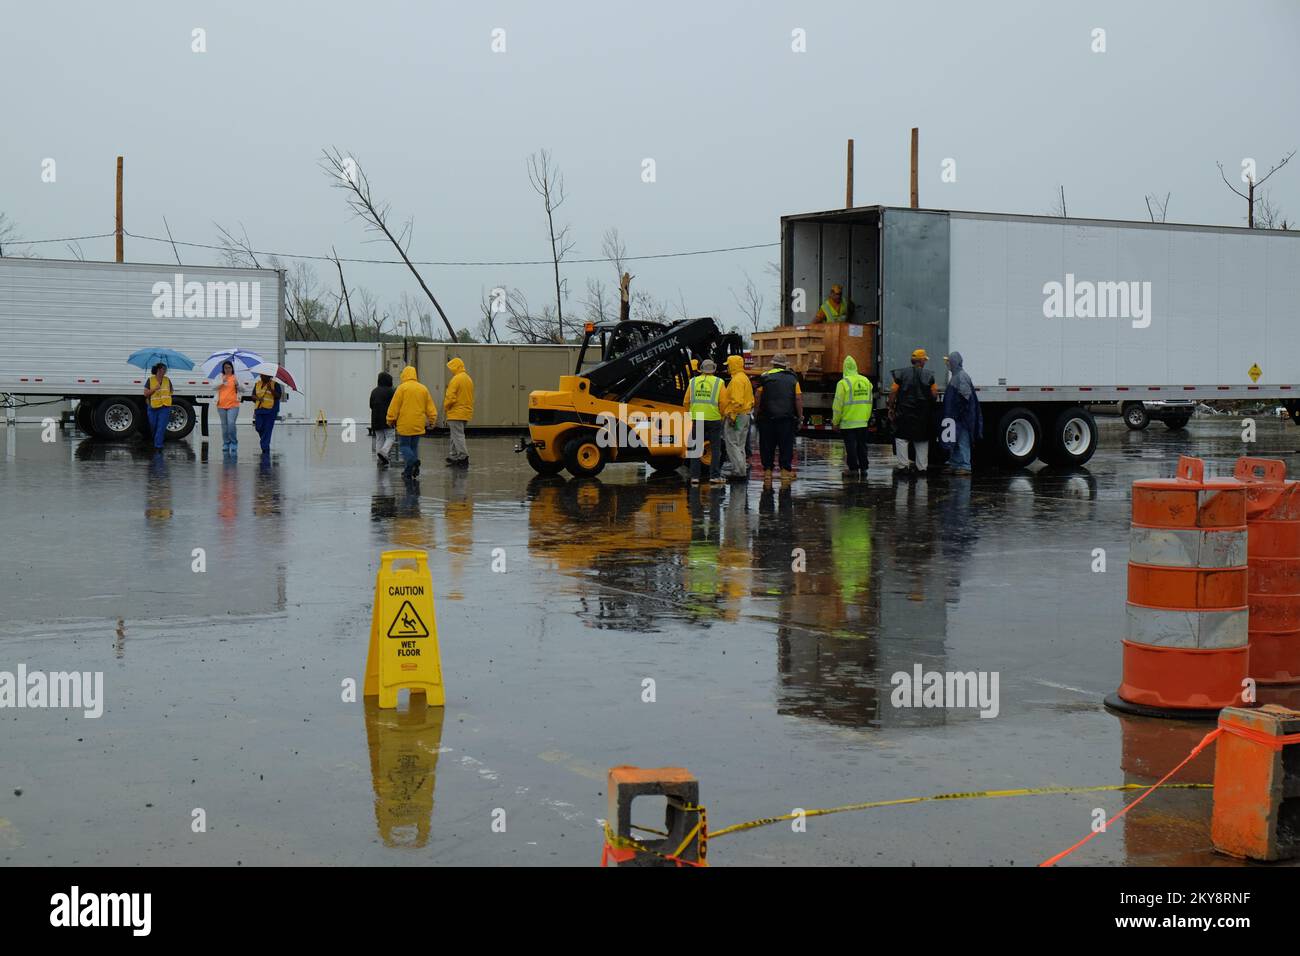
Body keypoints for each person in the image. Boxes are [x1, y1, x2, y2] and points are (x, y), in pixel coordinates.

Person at [754, 353, 802, 484]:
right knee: (785, 445)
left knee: (766, 445)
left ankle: (767, 472)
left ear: (773, 364)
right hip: (786, 419)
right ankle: (785, 472)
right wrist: (800, 416)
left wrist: (756, 413)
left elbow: (757, 397)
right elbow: (798, 398)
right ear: (785, 365)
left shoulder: (764, 377)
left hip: (766, 418)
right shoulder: (793, 378)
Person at [888, 347, 938, 474]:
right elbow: (934, 394)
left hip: (904, 412)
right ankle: (922, 468)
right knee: (922, 440)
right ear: (921, 361)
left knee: (901, 438)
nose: (925, 362)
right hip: (922, 414)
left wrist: (891, 407)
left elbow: (893, 392)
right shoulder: (929, 376)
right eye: (924, 360)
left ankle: (903, 467)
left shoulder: (901, 374)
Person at [386, 365, 437, 481]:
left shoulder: (401, 388)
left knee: (404, 446)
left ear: (404, 375)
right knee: (414, 447)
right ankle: (408, 471)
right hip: (418, 423)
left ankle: (413, 462)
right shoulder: (423, 389)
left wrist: (390, 419)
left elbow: (394, 406)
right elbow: (430, 407)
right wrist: (432, 420)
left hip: (405, 423)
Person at [684, 357, 725, 485]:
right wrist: (722, 415)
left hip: (698, 418)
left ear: (701, 369)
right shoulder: (719, 382)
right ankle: (714, 477)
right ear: (714, 370)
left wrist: (691, 413)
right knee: (715, 449)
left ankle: (694, 477)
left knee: (696, 448)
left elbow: (686, 401)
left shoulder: (693, 381)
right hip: (714, 418)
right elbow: (723, 402)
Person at [832, 354, 874, 478]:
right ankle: (864, 468)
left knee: (851, 447)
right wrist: (867, 417)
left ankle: (853, 469)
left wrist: (835, 422)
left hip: (848, 422)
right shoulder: (866, 381)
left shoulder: (843, 383)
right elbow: (870, 401)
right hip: (863, 421)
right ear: (856, 367)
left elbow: (838, 405)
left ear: (844, 368)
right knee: (862, 446)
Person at [941, 351, 982, 476]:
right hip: (956, 416)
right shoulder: (956, 376)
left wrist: (960, 412)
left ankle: (965, 465)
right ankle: (955, 464)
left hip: (962, 417)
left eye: (948, 361)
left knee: (963, 440)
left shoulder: (961, 376)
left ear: (954, 362)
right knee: (955, 440)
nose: (947, 364)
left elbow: (965, 396)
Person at [719, 354, 754, 481]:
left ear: (733, 365)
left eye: (728, 365)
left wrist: (732, 416)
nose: (727, 367)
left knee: (732, 443)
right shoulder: (744, 378)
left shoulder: (736, 381)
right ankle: (741, 470)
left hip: (737, 415)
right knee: (740, 444)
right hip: (745, 415)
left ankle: (738, 472)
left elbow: (737, 401)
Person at [443, 357, 474, 467]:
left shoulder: (456, 379)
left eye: (451, 368)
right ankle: (454, 455)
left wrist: (446, 406)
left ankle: (463, 456)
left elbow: (450, 397)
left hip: (455, 412)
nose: (450, 370)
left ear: (455, 367)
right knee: (455, 435)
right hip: (465, 412)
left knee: (458, 436)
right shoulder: (468, 379)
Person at [213, 360, 246, 454]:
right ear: (223, 369)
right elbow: (213, 387)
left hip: (233, 405)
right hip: (221, 405)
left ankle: (234, 443)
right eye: (225, 368)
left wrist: (238, 384)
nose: (227, 369)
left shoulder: (236, 377)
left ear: (232, 368)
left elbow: (244, 389)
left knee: (231, 423)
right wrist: (221, 382)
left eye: (229, 367)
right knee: (224, 426)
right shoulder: (219, 377)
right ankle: (226, 443)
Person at [142, 362, 173, 451]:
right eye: (164, 369)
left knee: (161, 427)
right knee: (153, 426)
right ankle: (155, 440)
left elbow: (171, 391)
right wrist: (155, 389)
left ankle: (158, 446)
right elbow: (145, 394)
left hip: (165, 407)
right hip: (153, 407)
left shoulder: (167, 380)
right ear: (158, 370)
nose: (165, 371)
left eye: (165, 369)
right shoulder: (150, 380)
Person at [368, 371, 396, 467]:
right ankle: (384, 452)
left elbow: (371, 405)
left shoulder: (374, 391)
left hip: (375, 419)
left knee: (379, 438)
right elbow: (394, 405)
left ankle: (379, 458)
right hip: (388, 418)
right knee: (390, 437)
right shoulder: (391, 391)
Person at [251, 373, 283, 455]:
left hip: (271, 410)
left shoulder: (275, 384)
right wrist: (257, 398)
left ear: (269, 376)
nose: (261, 376)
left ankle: (265, 447)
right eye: (261, 375)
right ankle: (264, 441)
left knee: (267, 429)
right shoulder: (257, 384)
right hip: (259, 409)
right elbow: (253, 395)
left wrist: (271, 389)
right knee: (258, 427)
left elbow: (278, 396)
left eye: (263, 375)